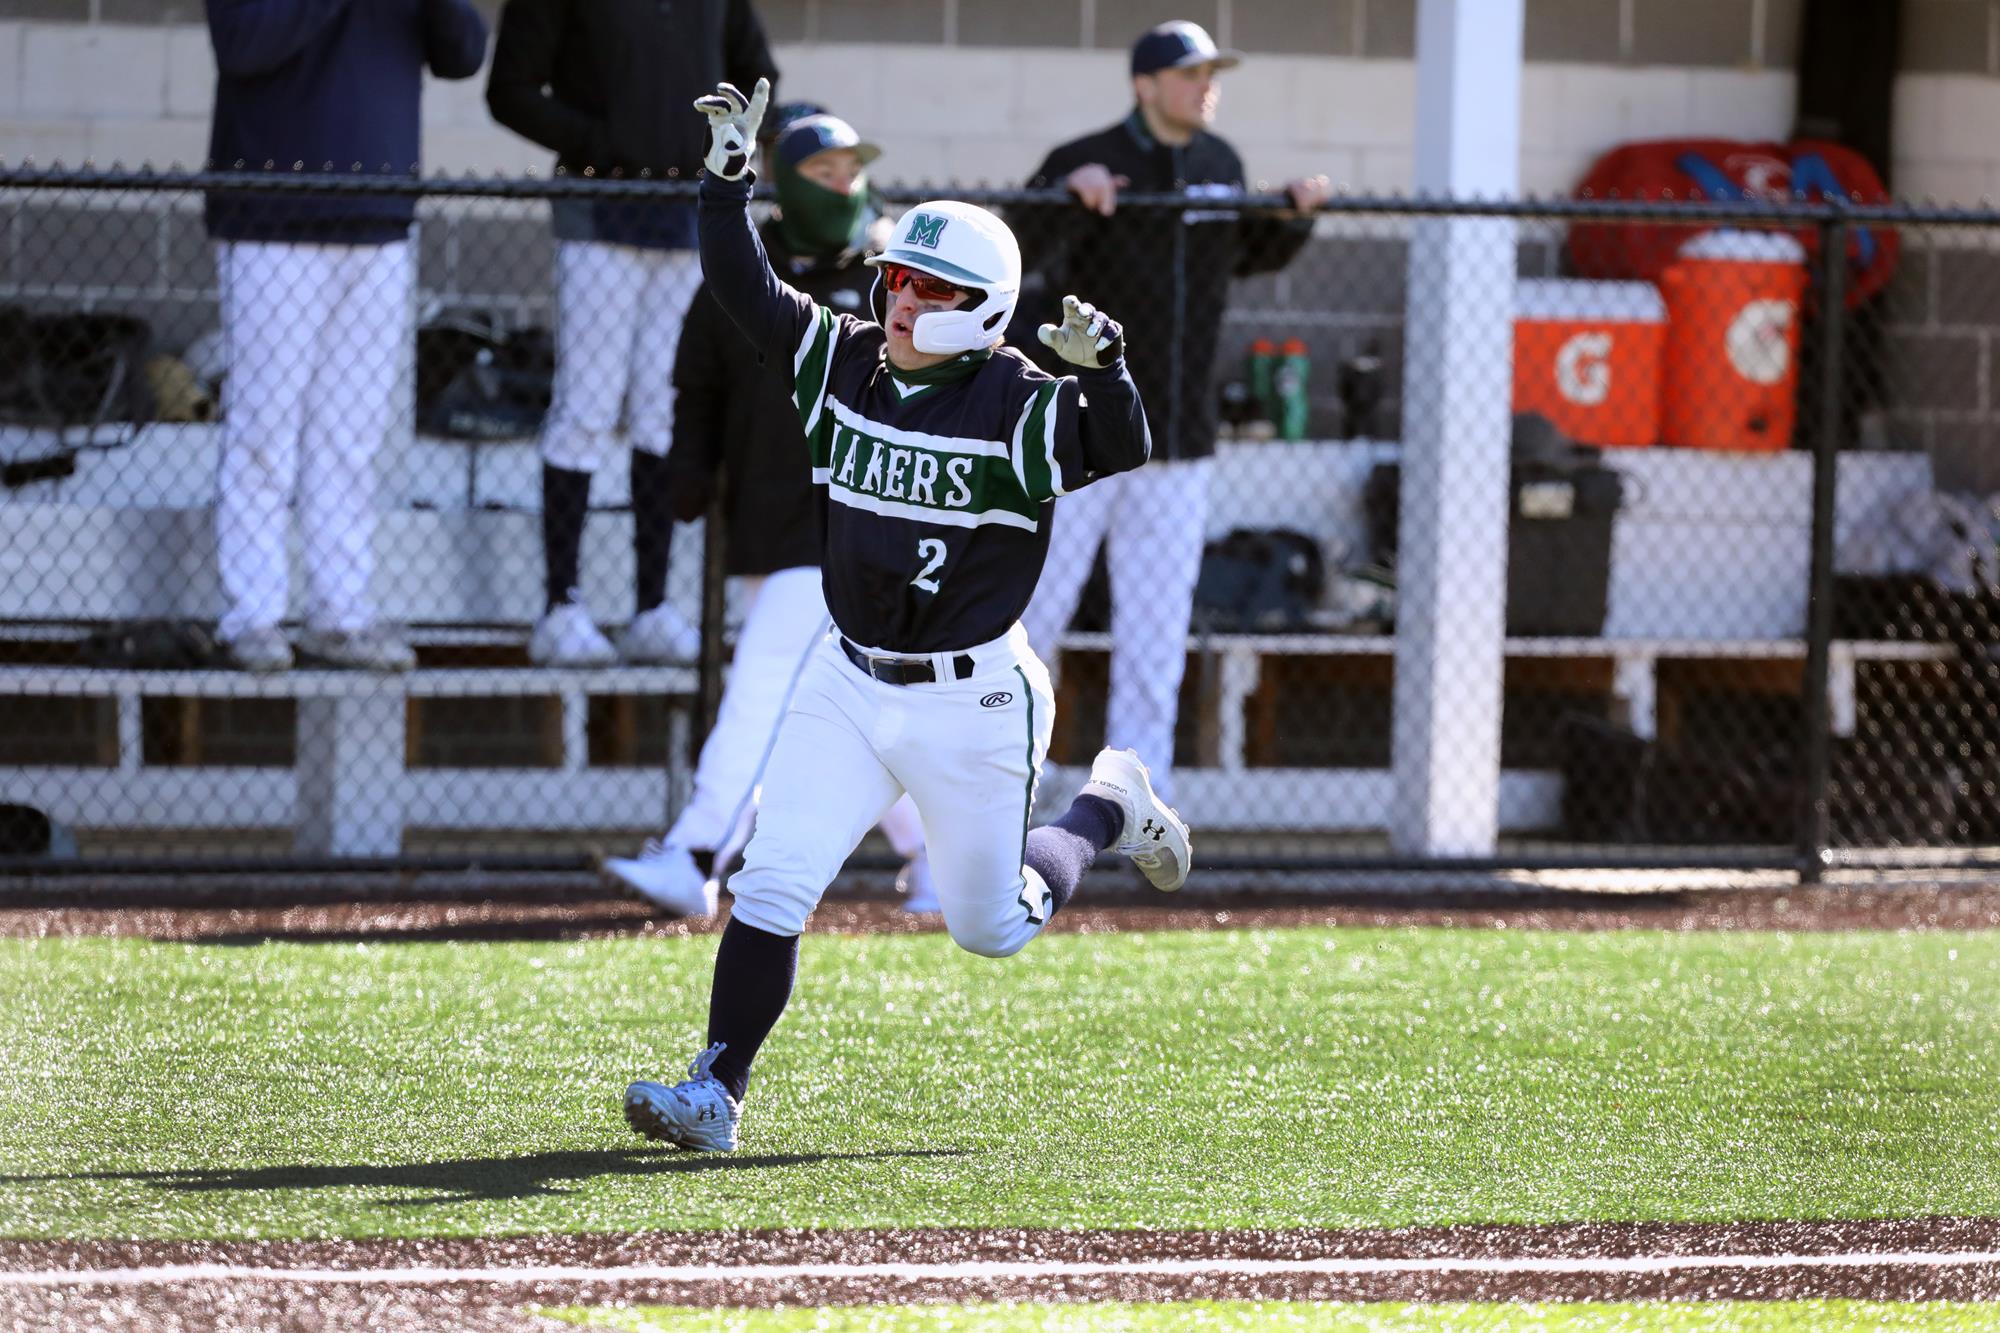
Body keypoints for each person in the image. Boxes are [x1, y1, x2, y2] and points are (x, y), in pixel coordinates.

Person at [621, 79, 1194, 1153]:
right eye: (896, 278)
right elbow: (743, 289)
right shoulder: (842, 360)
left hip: (972, 696)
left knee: (990, 926)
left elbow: (1123, 448)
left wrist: (1107, 371)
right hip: (846, 675)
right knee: (771, 880)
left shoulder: (1019, 401)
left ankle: (1107, 805)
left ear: (980, 306)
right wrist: (723, 184)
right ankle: (717, 1089)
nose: (899, 299)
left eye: (930, 288)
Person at [602, 108, 942, 919]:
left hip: (861, 521)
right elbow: (698, 378)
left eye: (850, 169)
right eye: (822, 171)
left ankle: (693, 850)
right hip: (766, 513)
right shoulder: (747, 271)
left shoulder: (892, 273)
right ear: (786, 181)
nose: (842, 184)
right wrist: (689, 465)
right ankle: (942, 853)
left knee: (762, 691)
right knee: (852, 709)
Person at [1013, 20, 1332, 798]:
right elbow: (1021, 248)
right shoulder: (1089, 159)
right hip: (1082, 435)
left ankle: (1128, 801)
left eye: (1210, 73)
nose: (1206, 85)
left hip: (1177, 442)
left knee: (1155, 638)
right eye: (1189, 73)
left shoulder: (1220, 163)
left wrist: (1291, 220)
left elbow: (1246, 256)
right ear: (1145, 85)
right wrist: (1068, 198)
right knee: (1033, 616)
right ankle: (1002, 774)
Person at [485, 0, 779, 666]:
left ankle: (652, 607)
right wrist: (604, 142)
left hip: (687, 218)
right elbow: (509, 91)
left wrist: (723, 144)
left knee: (660, 415)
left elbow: (758, 75)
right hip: (599, 211)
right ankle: (561, 609)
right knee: (585, 407)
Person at [205, 0, 489, 673]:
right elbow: (244, 44)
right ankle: (253, 615)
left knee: (350, 435)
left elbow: (464, 51)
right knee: (264, 429)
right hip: (272, 220)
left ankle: (340, 612)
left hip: (379, 220)